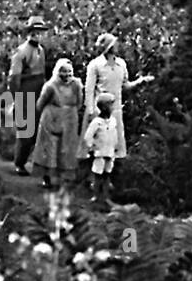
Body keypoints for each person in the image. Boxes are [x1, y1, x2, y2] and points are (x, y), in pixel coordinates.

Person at [78, 32, 154, 168]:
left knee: (114, 145)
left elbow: (125, 85)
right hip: (99, 110)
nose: (116, 46)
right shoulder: (95, 65)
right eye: (113, 44)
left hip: (116, 109)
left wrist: (141, 81)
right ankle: (93, 178)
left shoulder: (121, 64)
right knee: (98, 146)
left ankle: (111, 176)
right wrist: (90, 110)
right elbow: (89, 90)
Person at [30, 58, 83, 190]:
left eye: (69, 72)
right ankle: (46, 177)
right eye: (63, 72)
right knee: (49, 148)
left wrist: (70, 113)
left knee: (67, 148)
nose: (66, 75)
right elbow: (40, 104)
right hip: (51, 118)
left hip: (70, 119)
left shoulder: (77, 84)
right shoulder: (50, 86)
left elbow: (79, 102)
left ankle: (65, 178)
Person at [7, 16, 48, 175]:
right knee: (25, 128)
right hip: (25, 90)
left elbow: (42, 72)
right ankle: (19, 163)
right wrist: (15, 97)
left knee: (38, 128)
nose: (37, 34)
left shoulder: (41, 50)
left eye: (40, 32)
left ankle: (32, 161)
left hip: (39, 89)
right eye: (34, 31)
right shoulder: (21, 51)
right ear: (29, 32)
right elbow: (14, 77)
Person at [82, 93, 118, 203]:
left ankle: (106, 197)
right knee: (98, 175)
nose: (112, 108)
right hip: (100, 153)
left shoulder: (113, 121)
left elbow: (114, 134)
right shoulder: (96, 122)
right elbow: (88, 136)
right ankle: (96, 196)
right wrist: (92, 146)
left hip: (110, 152)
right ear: (103, 107)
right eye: (110, 105)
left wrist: (115, 146)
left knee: (107, 174)